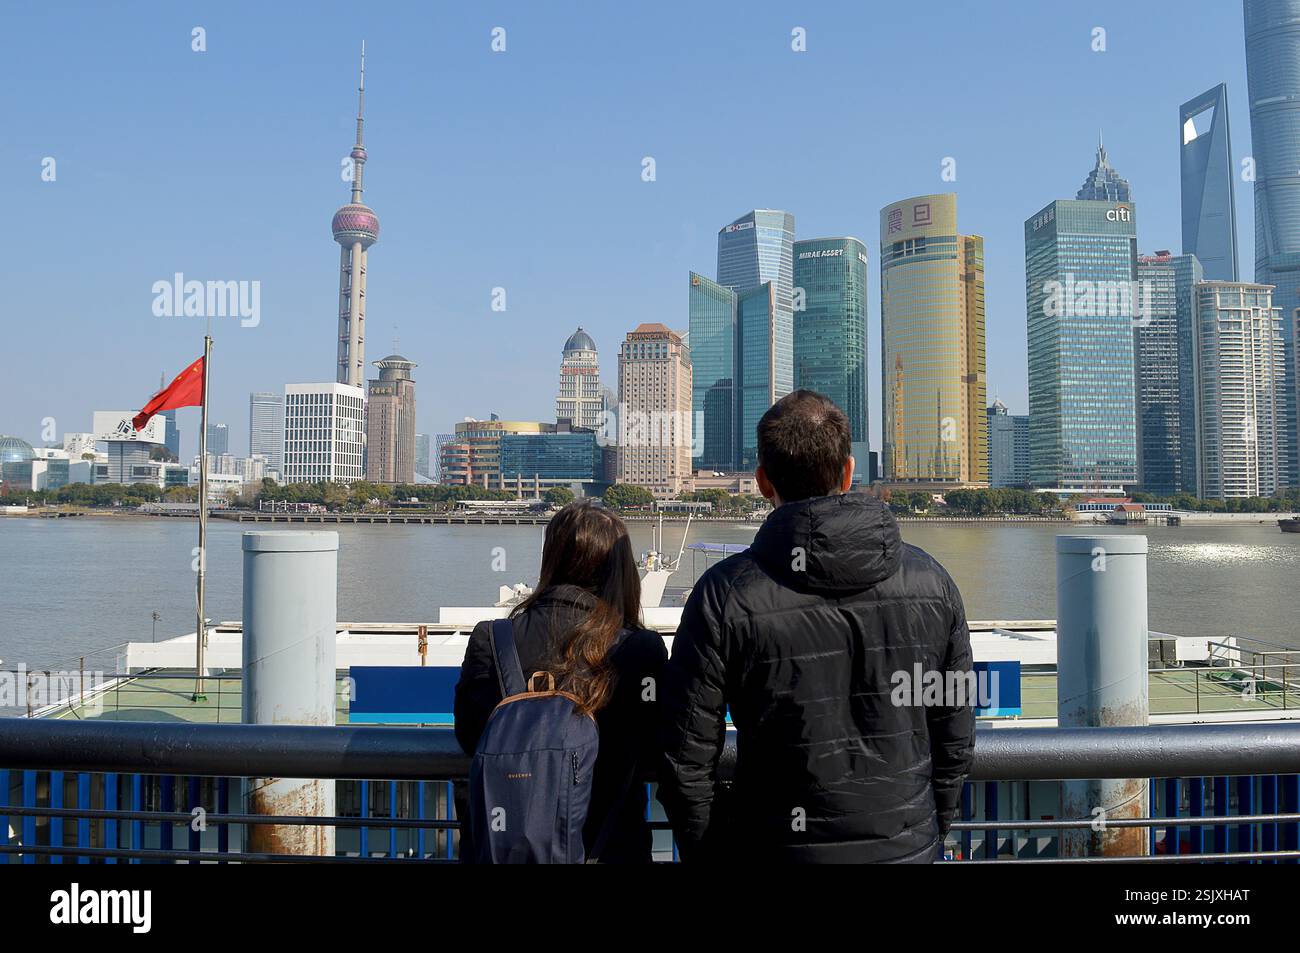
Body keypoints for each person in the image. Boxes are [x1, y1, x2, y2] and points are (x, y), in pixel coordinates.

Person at [658, 390, 976, 863]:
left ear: (764, 482)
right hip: (907, 848)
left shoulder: (723, 595)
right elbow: (954, 738)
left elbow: (685, 760)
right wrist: (926, 830)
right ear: (848, 472)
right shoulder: (933, 584)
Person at [454, 499, 666, 863]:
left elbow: (471, 736)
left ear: (550, 558)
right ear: (620, 569)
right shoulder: (639, 648)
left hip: (510, 849)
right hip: (610, 845)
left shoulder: (493, 639)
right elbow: (657, 743)